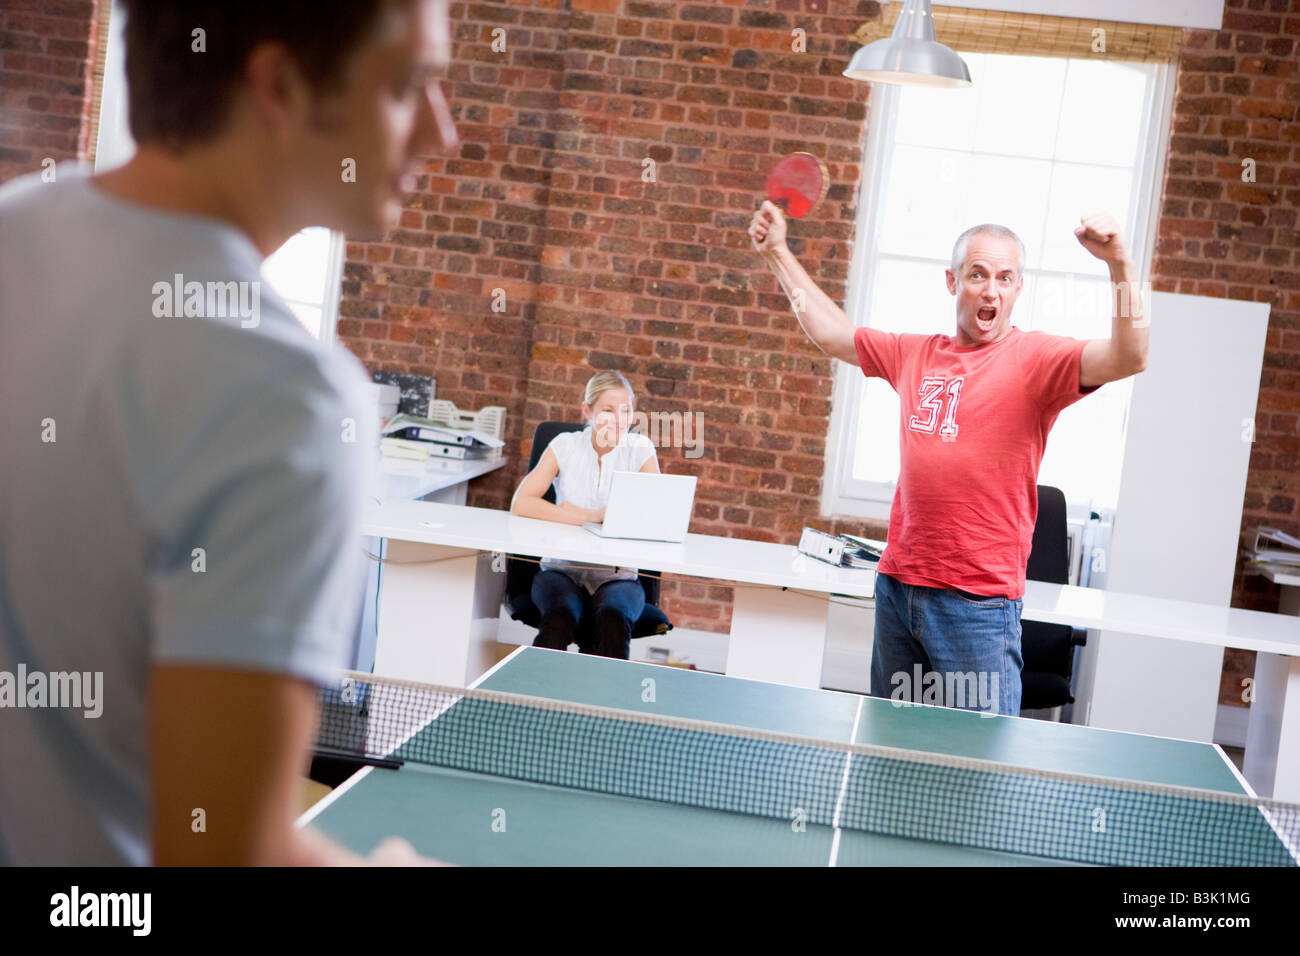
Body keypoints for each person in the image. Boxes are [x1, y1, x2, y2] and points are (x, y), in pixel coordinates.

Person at [0, 0, 457, 865]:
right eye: (408, 88)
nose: (444, 134)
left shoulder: (14, 229)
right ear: (280, 86)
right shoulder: (293, 404)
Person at [748, 202, 1149, 716]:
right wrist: (778, 252)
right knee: (896, 752)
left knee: (977, 766)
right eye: (978, 274)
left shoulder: (1037, 361)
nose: (991, 289)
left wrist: (1119, 262)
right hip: (899, 591)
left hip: (977, 608)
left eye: (1005, 278)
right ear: (952, 281)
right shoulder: (915, 353)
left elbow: (1130, 356)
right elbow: (833, 335)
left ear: (1018, 289)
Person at [510, 371, 660, 660]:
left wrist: (571, 514)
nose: (619, 419)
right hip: (560, 571)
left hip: (619, 577)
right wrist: (587, 518)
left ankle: (604, 704)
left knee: (613, 618)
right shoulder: (564, 445)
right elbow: (522, 503)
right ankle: (536, 699)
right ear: (587, 411)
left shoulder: (640, 449)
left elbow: (656, 516)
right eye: (608, 410)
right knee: (560, 615)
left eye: (626, 410)